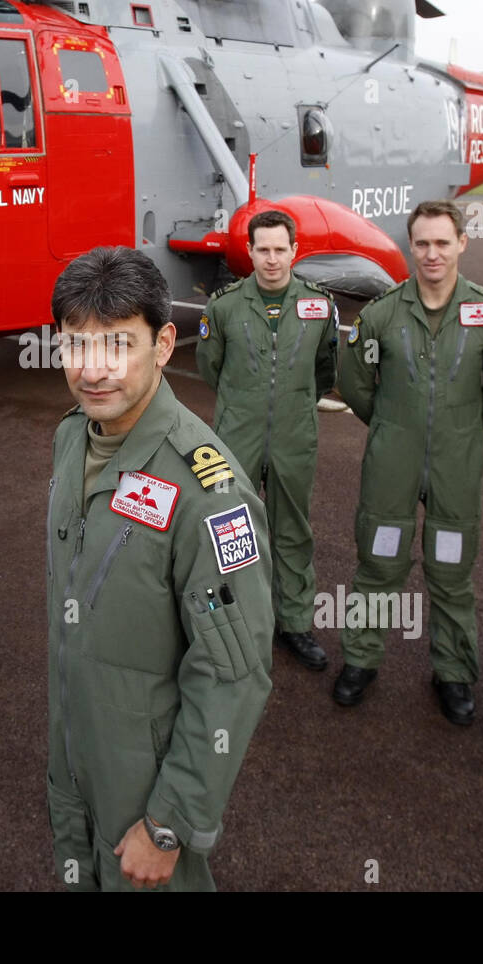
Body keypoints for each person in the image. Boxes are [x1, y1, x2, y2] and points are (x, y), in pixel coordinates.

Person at [46, 246, 274, 892]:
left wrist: (170, 821)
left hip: (147, 789)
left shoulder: (207, 489)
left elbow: (234, 671)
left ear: (165, 343)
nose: (94, 370)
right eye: (75, 345)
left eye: (117, 345)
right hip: (73, 754)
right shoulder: (72, 437)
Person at [334, 200, 483, 722]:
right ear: (410, 245)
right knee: (379, 563)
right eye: (422, 243)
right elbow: (356, 385)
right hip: (393, 460)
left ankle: (454, 673)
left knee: (452, 571)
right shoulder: (382, 313)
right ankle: (362, 659)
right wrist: (394, 425)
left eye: (442, 242)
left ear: (462, 243)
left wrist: (458, 428)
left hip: (458, 463)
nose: (432, 254)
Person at [196, 209, 338, 671]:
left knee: (293, 530)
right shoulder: (223, 307)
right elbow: (209, 368)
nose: (272, 259)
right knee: (231, 530)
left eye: (281, 249)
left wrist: (293, 403)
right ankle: (234, 622)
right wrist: (245, 405)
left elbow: (325, 371)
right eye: (263, 249)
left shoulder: (319, 306)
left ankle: (295, 623)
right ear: (250, 252)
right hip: (237, 435)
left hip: (295, 437)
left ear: (295, 251)